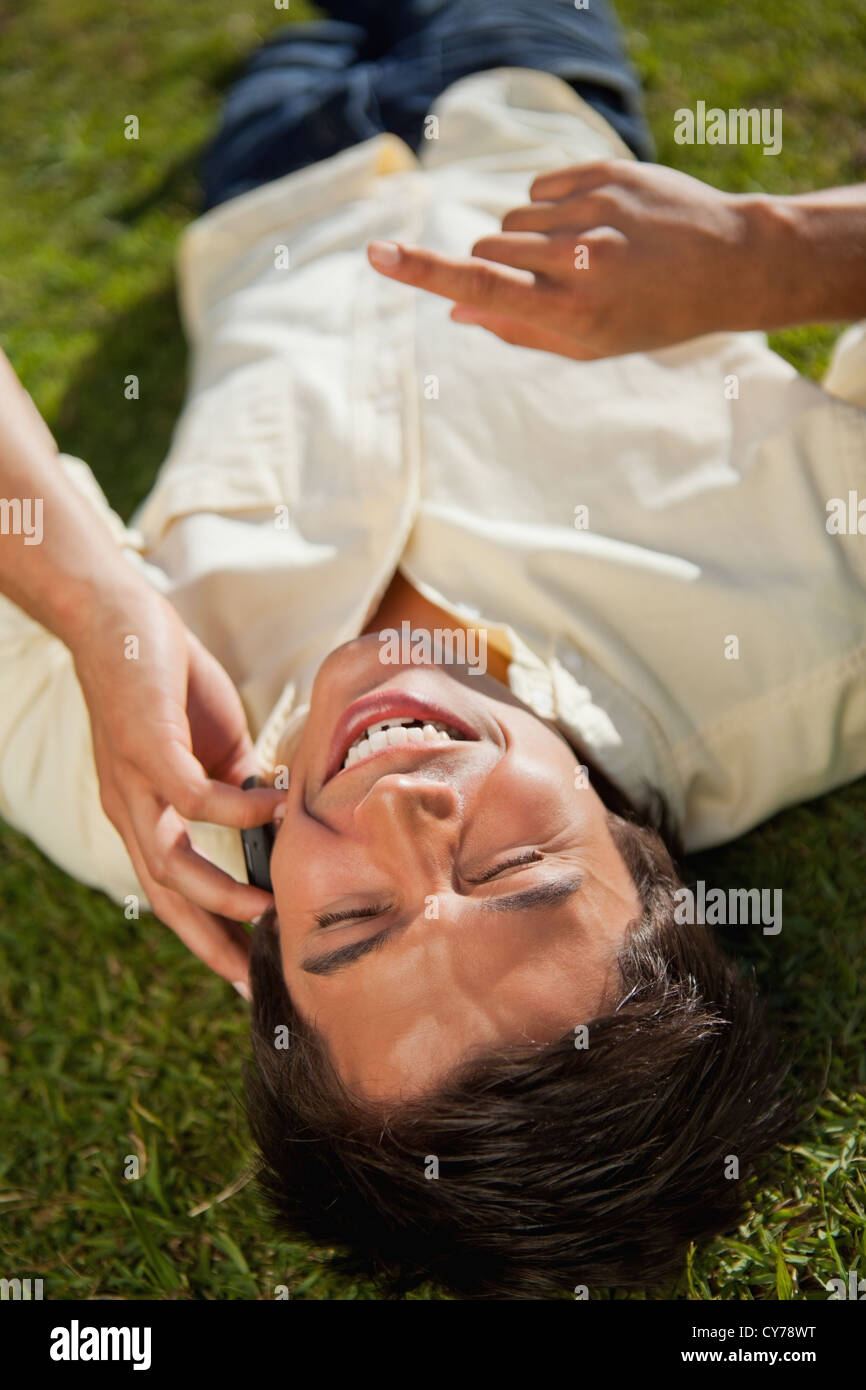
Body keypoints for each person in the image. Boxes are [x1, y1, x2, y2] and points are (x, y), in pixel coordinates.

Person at [1, 0, 864, 1298]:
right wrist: (767, 254)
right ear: (652, 869)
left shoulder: (131, 787)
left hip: (271, 177)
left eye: (352, 919)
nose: (406, 811)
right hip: (523, 75)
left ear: (268, 953)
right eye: (513, 867)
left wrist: (93, 605)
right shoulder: (827, 632)